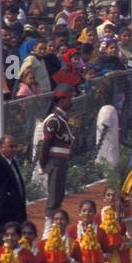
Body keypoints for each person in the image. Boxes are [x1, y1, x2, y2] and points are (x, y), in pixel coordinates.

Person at [38, 92, 76, 231]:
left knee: (59, 195)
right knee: (54, 197)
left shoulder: (63, 118)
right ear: (61, 100)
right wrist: (43, 163)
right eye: (69, 98)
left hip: (62, 161)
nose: (72, 101)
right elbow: (46, 144)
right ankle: (49, 229)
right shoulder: (54, 120)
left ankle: (55, 227)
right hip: (55, 162)